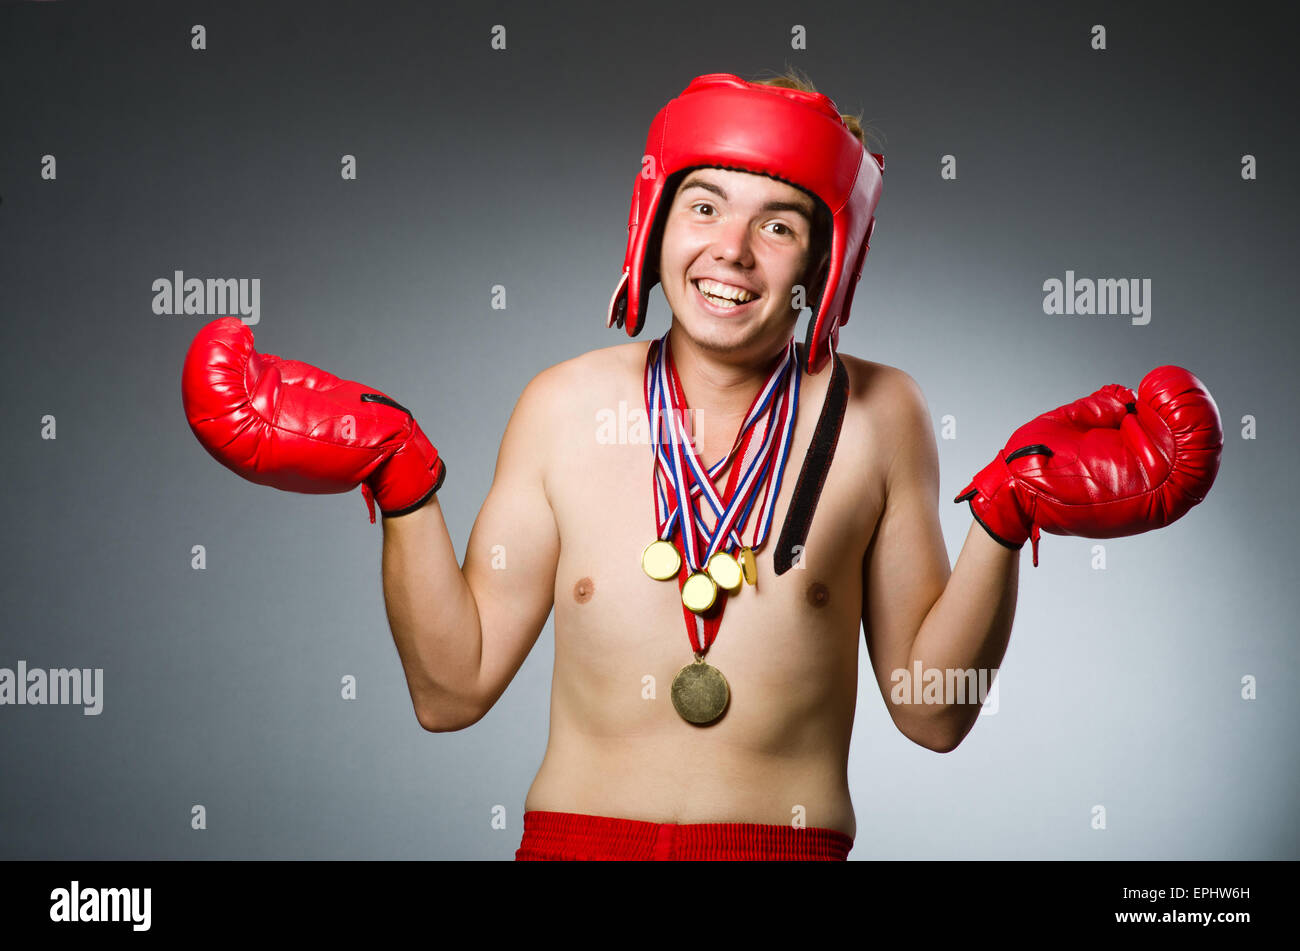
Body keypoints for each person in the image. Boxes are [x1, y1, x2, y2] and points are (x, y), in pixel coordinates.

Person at [180, 70, 1223, 861]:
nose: (732, 250)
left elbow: (931, 712)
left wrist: (1005, 519)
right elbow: (449, 693)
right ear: (655, 225)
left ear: (823, 260)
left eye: (779, 224)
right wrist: (401, 483)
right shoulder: (563, 404)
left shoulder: (881, 413)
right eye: (705, 207)